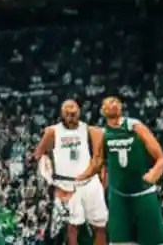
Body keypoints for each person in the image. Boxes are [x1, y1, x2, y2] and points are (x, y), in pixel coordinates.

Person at [76, 97, 163, 245]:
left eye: (115, 102)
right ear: (102, 111)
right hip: (119, 197)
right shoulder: (103, 134)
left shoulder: (135, 127)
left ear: (121, 107)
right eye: (108, 103)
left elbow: (161, 158)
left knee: (155, 241)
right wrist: (79, 178)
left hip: (143, 193)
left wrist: (155, 172)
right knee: (120, 241)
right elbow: (97, 162)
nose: (112, 104)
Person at [30, 99, 108, 245]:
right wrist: (52, 183)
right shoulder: (52, 131)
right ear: (62, 114)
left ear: (79, 113)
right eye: (68, 112)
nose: (71, 115)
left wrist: (102, 178)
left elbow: (100, 157)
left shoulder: (88, 130)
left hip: (89, 182)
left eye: (73, 112)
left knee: (100, 224)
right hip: (66, 184)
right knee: (72, 226)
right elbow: (38, 155)